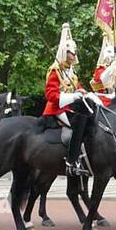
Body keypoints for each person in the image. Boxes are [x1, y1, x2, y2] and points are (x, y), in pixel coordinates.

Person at [43, 23, 97, 175]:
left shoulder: (70, 71)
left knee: (91, 113)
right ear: (65, 53)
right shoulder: (55, 71)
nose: (74, 56)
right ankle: (71, 160)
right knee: (80, 122)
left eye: (74, 53)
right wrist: (73, 96)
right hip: (57, 109)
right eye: (72, 53)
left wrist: (82, 92)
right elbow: (50, 95)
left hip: (70, 106)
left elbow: (76, 86)